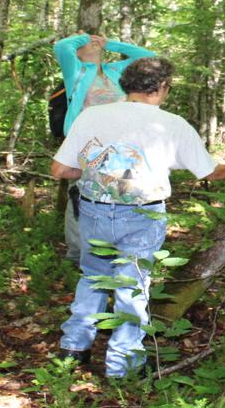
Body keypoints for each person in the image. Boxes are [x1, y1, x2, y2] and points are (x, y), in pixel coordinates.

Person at [50, 57, 225, 378]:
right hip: (141, 214)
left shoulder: (92, 115)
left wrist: (99, 172)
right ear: (162, 87)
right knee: (132, 284)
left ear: (125, 85)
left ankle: (74, 348)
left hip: (93, 209)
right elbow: (211, 172)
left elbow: (61, 169)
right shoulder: (172, 124)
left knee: (93, 276)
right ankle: (123, 364)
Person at [53, 32, 158, 260]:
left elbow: (149, 57)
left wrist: (110, 44)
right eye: (82, 39)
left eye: (92, 37)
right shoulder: (76, 71)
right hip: (88, 144)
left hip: (121, 146)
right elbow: (62, 47)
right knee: (81, 195)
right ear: (77, 51)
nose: (90, 39)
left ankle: (111, 249)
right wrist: (83, 38)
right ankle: (77, 253)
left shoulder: (115, 71)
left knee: (119, 194)